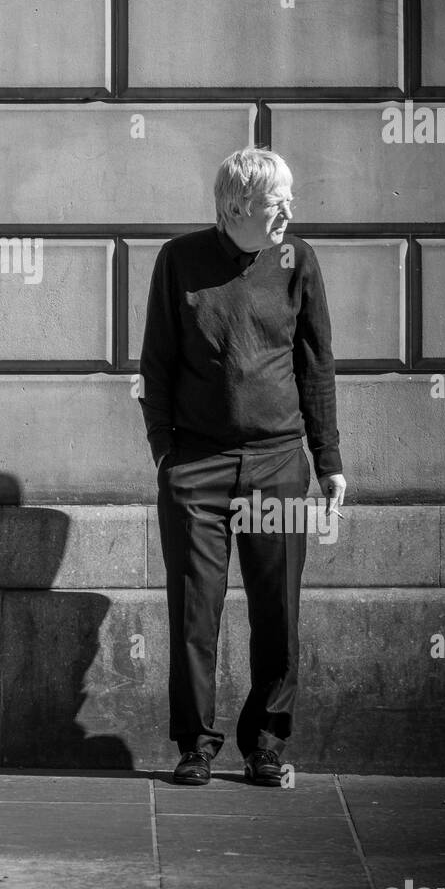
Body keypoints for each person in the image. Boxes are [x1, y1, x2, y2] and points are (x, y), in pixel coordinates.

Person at [139, 148, 347, 786]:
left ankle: (266, 744)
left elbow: (316, 363)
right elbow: (157, 365)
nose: (289, 207)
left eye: (288, 195)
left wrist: (328, 457)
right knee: (194, 611)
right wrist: (167, 457)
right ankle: (196, 744)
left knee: (276, 609)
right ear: (236, 207)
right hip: (196, 466)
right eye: (276, 198)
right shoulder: (179, 260)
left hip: (278, 461)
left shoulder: (296, 259)